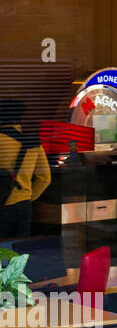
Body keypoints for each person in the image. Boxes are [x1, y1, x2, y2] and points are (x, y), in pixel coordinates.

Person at [0, 98, 52, 239]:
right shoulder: (34, 144)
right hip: (23, 206)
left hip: (2, 205)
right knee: (20, 251)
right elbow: (45, 178)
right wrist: (28, 197)